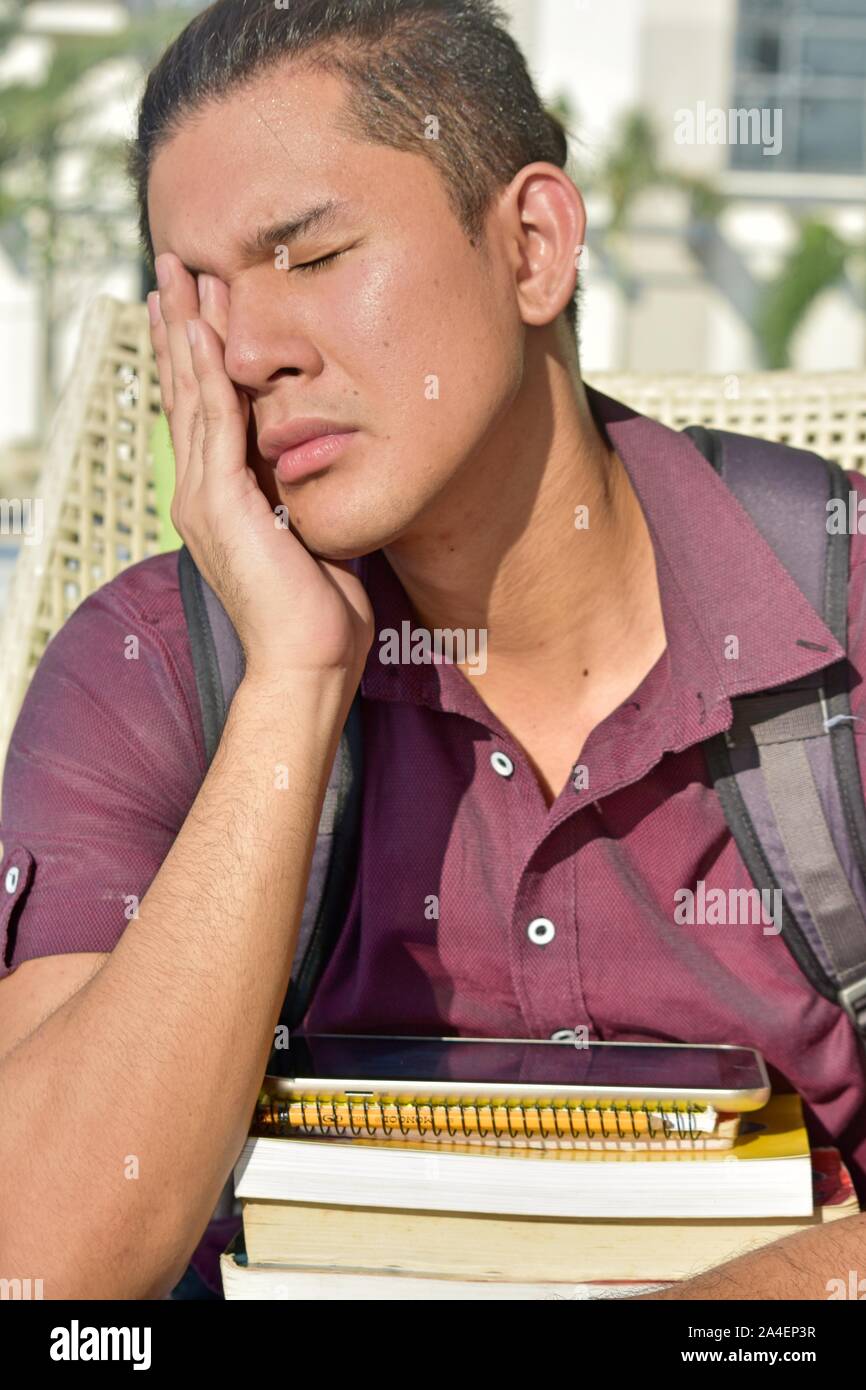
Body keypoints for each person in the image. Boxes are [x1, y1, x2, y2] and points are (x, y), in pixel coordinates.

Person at [1, 0, 864, 1301]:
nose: (247, 351)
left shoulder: (838, 622)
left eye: (309, 255)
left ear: (530, 246)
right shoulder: (155, 667)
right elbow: (44, 1262)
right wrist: (290, 683)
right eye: (201, 296)